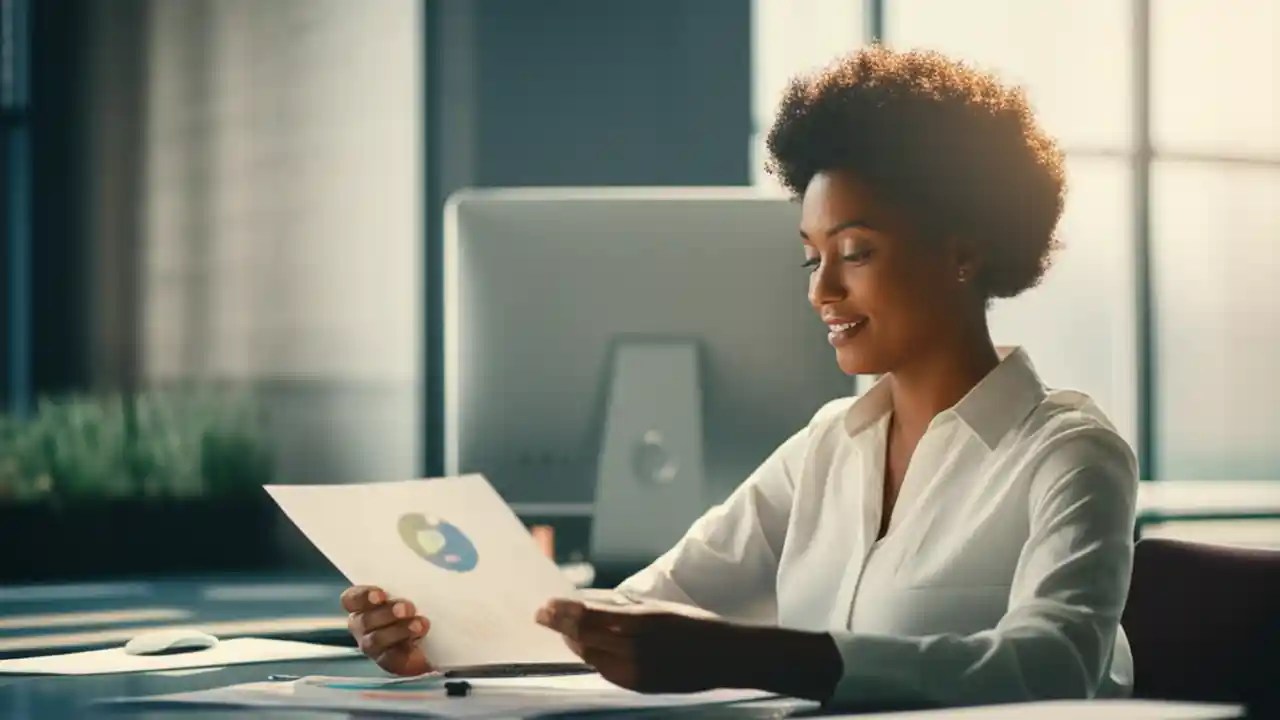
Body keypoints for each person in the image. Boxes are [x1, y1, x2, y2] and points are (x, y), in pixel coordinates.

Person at [340, 46, 1137, 708]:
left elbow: (1054, 663)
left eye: (855, 252)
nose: (822, 291)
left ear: (962, 252)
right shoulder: (830, 446)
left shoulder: (1069, 454)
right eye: (811, 258)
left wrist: (756, 656)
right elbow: (648, 602)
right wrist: (447, 635)